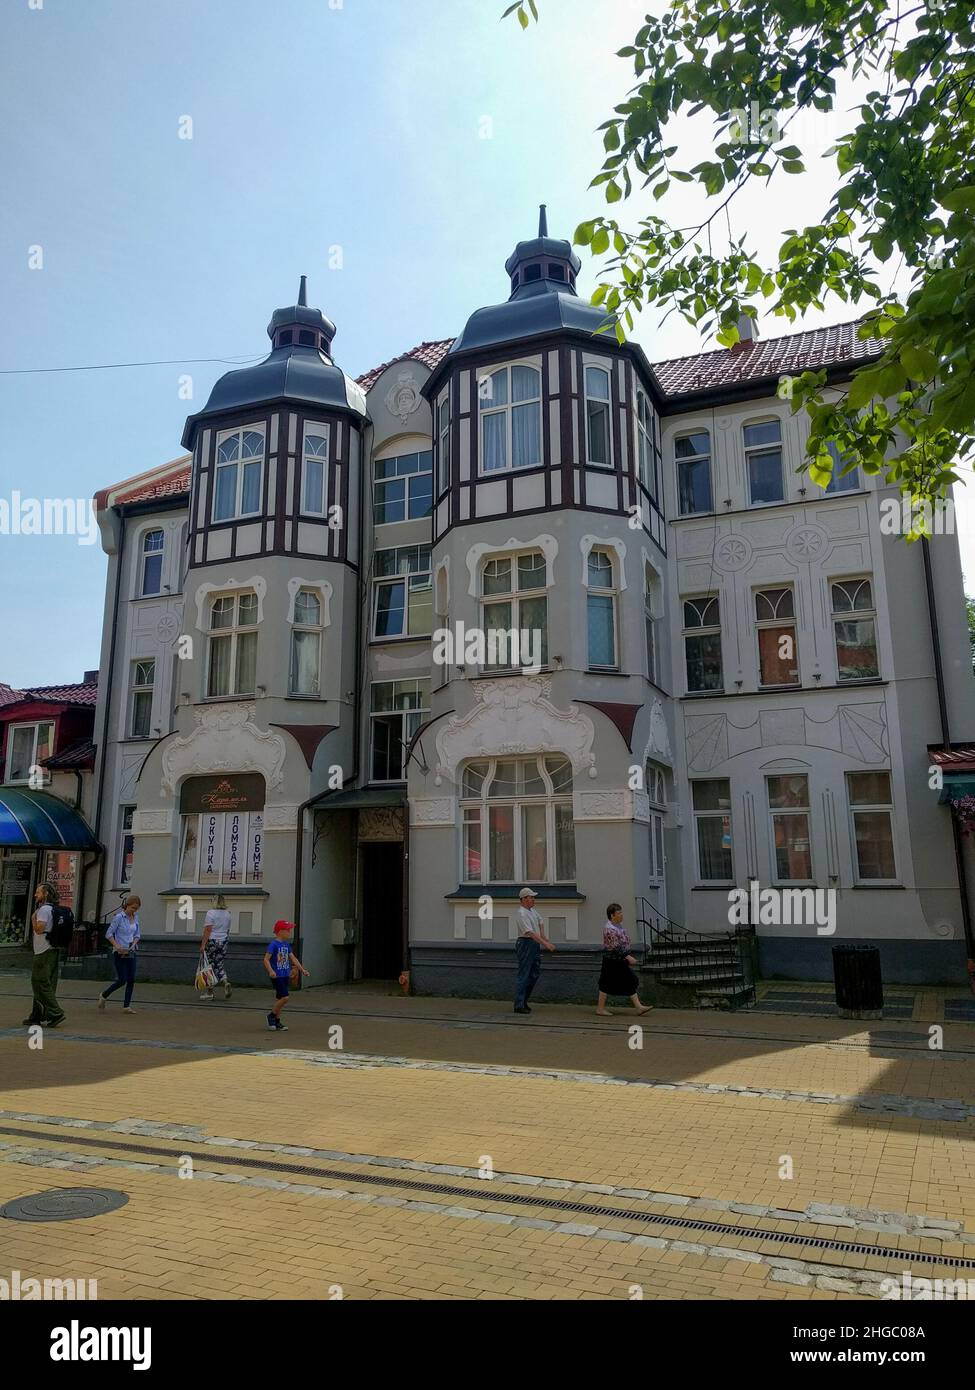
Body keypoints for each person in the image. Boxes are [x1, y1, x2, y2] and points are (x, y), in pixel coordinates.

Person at [596, 903, 652, 1017]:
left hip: (618, 959)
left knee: (626, 980)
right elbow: (616, 946)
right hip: (612, 960)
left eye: (621, 912)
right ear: (612, 915)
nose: (621, 915)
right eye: (619, 913)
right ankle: (600, 1009)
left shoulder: (618, 926)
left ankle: (638, 1007)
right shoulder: (609, 929)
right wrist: (628, 957)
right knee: (608, 982)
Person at [22, 882, 65, 1029]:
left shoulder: (44, 910)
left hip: (43, 951)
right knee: (45, 983)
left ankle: (56, 1012)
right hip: (53, 950)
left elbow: (39, 929)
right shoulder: (53, 908)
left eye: (38, 892)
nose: (35, 895)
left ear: (45, 894)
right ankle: (36, 1016)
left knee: (40, 983)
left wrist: (33, 918)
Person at [513, 887, 555, 1015]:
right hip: (525, 943)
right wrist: (545, 943)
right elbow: (530, 933)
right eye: (531, 897)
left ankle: (524, 1001)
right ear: (524, 899)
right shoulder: (521, 913)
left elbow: (540, 921)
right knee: (524, 974)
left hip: (534, 944)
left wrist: (543, 934)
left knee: (534, 974)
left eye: (533, 897)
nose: (533, 899)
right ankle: (519, 1004)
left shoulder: (532, 911)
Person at [98, 894, 141, 1013]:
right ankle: (104, 995)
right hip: (120, 952)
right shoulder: (119, 918)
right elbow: (109, 934)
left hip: (131, 951)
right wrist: (116, 945)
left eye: (136, 909)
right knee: (122, 979)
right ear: (127, 905)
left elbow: (137, 934)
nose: (134, 910)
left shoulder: (136, 917)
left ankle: (126, 1006)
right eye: (132, 908)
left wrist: (134, 943)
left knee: (131, 979)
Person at [263, 919, 308, 1031]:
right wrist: (271, 971)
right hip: (277, 976)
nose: (289, 932)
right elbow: (266, 959)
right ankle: (271, 1016)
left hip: (285, 975)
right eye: (287, 930)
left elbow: (293, 958)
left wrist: (302, 969)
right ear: (280, 931)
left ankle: (277, 1022)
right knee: (285, 998)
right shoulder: (273, 945)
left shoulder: (286, 945)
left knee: (280, 999)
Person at [199, 894, 233, 1001]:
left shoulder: (211, 913)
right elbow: (228, 930)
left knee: (209, 966)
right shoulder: (227, 914)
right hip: (223, 941)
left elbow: (208, 930)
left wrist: (203, 944)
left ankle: (210, 993)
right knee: (219, 964)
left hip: (212, 941)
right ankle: (225, 982)